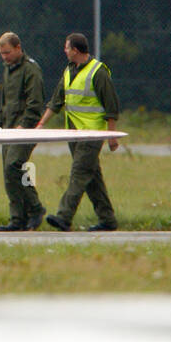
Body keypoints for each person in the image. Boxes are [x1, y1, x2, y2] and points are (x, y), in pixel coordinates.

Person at [34, 33, 121, 231]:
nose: (64, 51)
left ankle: (64, 216)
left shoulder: (98, 72)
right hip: (74, 133)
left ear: (75, 50)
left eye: (66, 47)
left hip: (92, 134)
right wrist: (41, 124)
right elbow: (57, 101)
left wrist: (112, 135)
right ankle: (107, 219)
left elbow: (111, 105)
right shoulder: (69, 71)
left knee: (79, 173)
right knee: (92, 177)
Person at [0, 32, 46, 231]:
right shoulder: (8, 70)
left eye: (7, 52)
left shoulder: (31, 69)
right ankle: (17, 219)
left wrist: (25, 125)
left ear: (18, 48)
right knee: (10, 174)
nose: (4, 57)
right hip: (8, 128)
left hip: (24, 129)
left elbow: (35, 102)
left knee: (13, 166)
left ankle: (35, 208)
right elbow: (4, 100)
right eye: (1, 54)